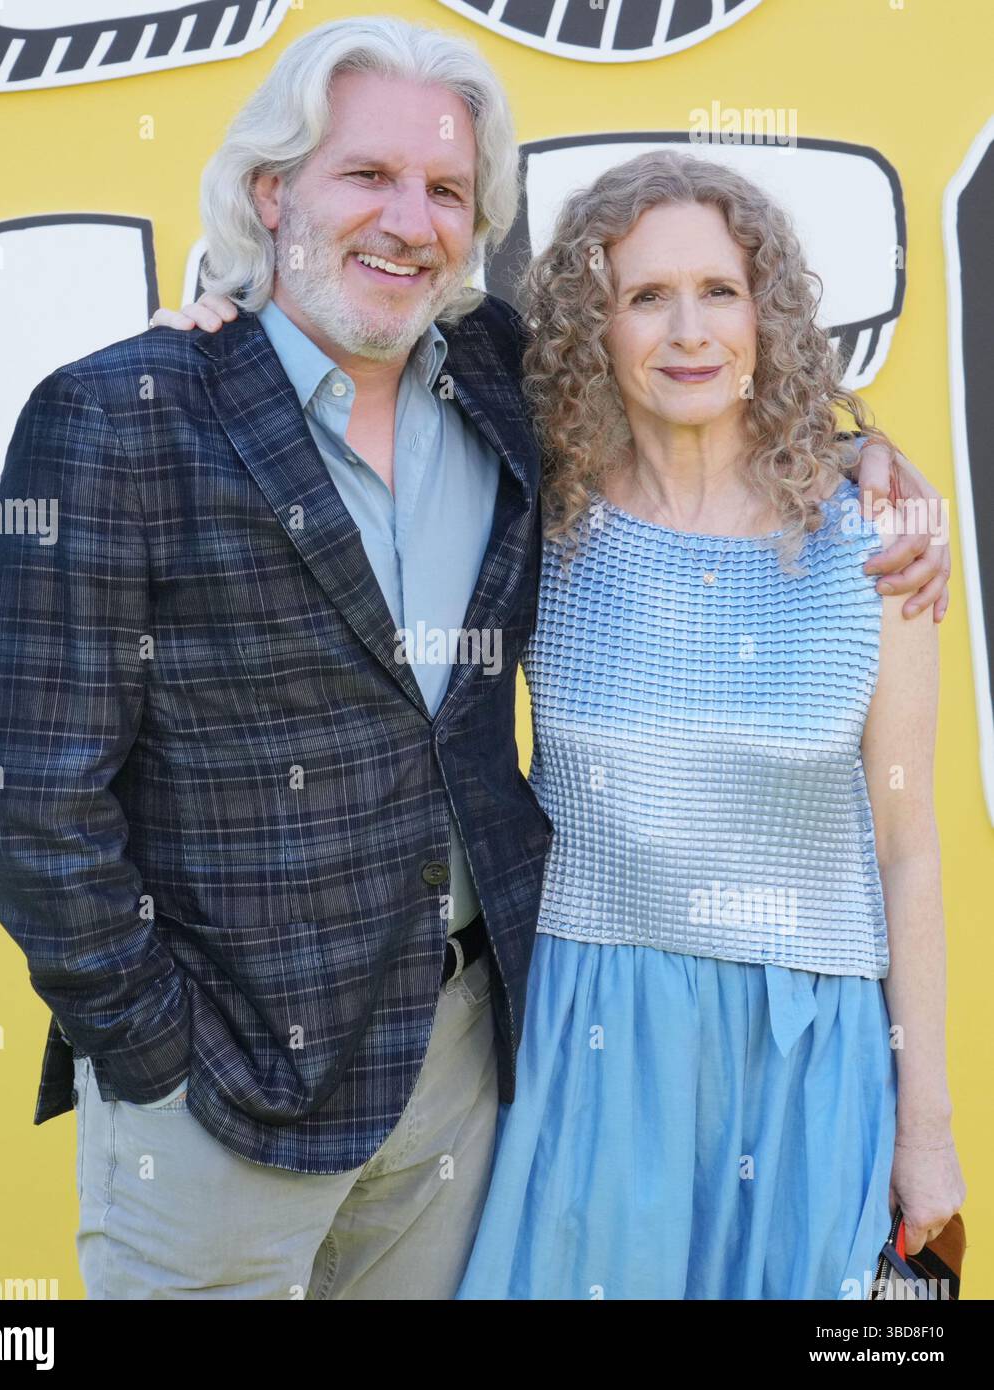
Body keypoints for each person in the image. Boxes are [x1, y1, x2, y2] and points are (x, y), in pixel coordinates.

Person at [0, 15, 948, 1302]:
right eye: (365, 175)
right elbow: (29, 799)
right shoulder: (128, 414)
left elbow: (696, 397)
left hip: (481, 1071)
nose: (406, 218)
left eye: (442, 188)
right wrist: (153, 1052)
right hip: (246, 1092)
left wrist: (871, 451)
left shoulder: (492, 388)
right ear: (272, 194)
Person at [452, 153, 964, 1298]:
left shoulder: (873, 534)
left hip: (805, 1053)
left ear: (763, 313)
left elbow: (906, 847)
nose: (688, 332)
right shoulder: (539, 519)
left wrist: (923, 1125)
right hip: (588, 1045)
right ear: (595, 326)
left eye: (718, 291)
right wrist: (220, 315)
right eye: (644, 297)